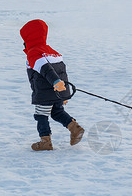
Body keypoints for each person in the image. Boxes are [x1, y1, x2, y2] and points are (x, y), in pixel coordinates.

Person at [20, 19, 84, 151]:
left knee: (41, 115)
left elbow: (46, 69)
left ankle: (45, 142)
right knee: (57, 111)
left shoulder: (34, 53)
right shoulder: (53, 52)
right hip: (57, 91)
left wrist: (56, 83)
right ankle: (74, 128)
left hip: (45, 93)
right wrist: (63, 92)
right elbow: (62, 72)